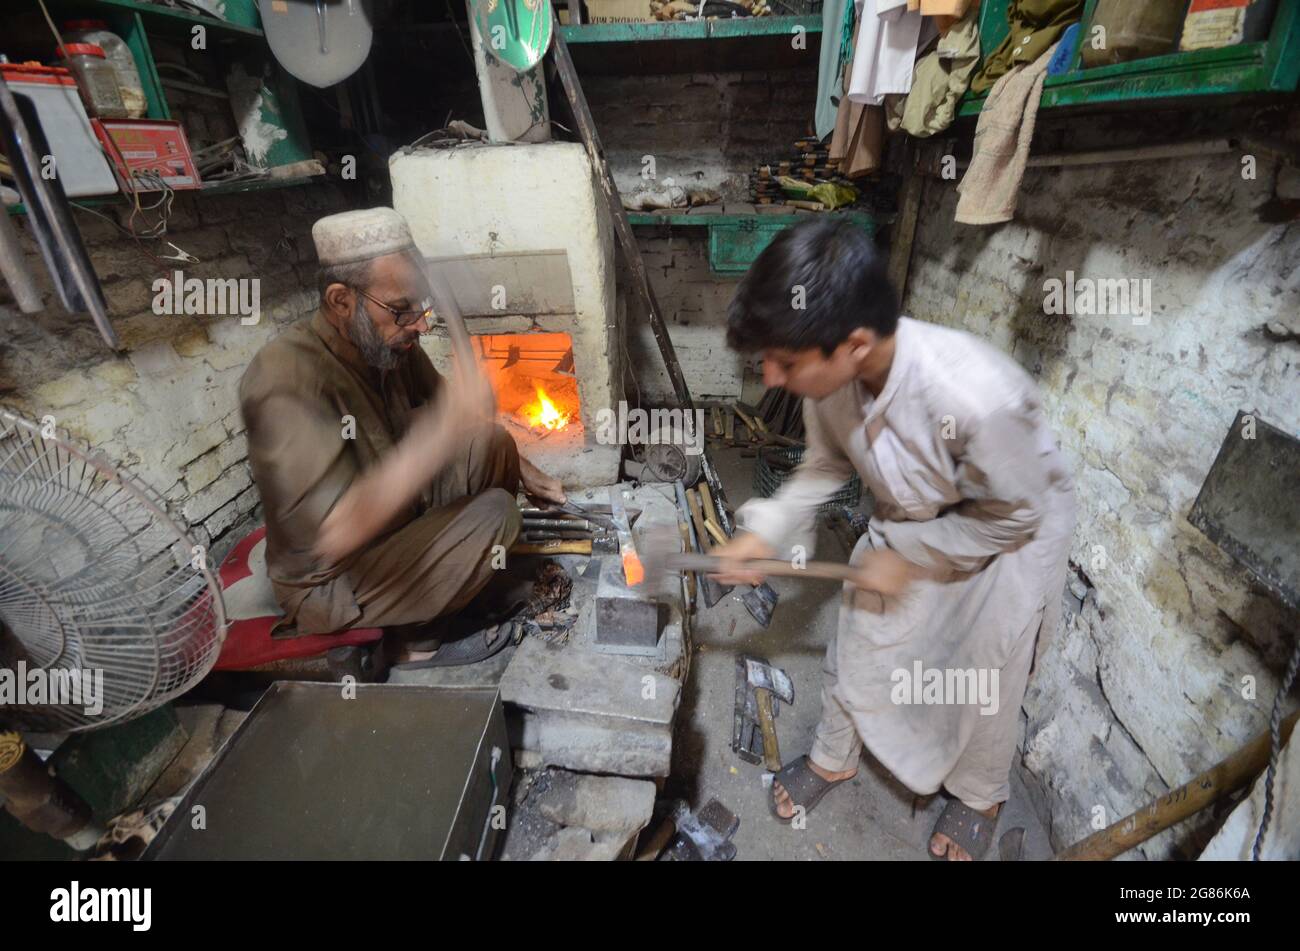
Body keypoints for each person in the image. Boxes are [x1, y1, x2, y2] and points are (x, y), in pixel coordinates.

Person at [712, 218, 1075, 860]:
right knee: (860, 639)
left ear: (853, 344)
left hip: (1008, 532)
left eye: (785, 362)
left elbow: (1013, 515)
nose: (770, 377)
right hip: (909, 518)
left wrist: (915, 556)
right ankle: (833, 758)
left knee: (982, 673)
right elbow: (825, 466)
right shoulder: (831, 381)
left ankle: (980, 793)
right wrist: (764, 529)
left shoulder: (973, 394)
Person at [239, 207, 564, 664]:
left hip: (400, 519)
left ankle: (452, 587)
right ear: (340, 300)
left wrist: (524, 470)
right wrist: (447, 425)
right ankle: (419, 642)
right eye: (401, 308)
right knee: (494, 515)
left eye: (421, 305)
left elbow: (462, 423)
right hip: (336, 578)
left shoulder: (388, 342)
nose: (421, 323)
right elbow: (338, 532)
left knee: (492, 443)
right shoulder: (285, 377)